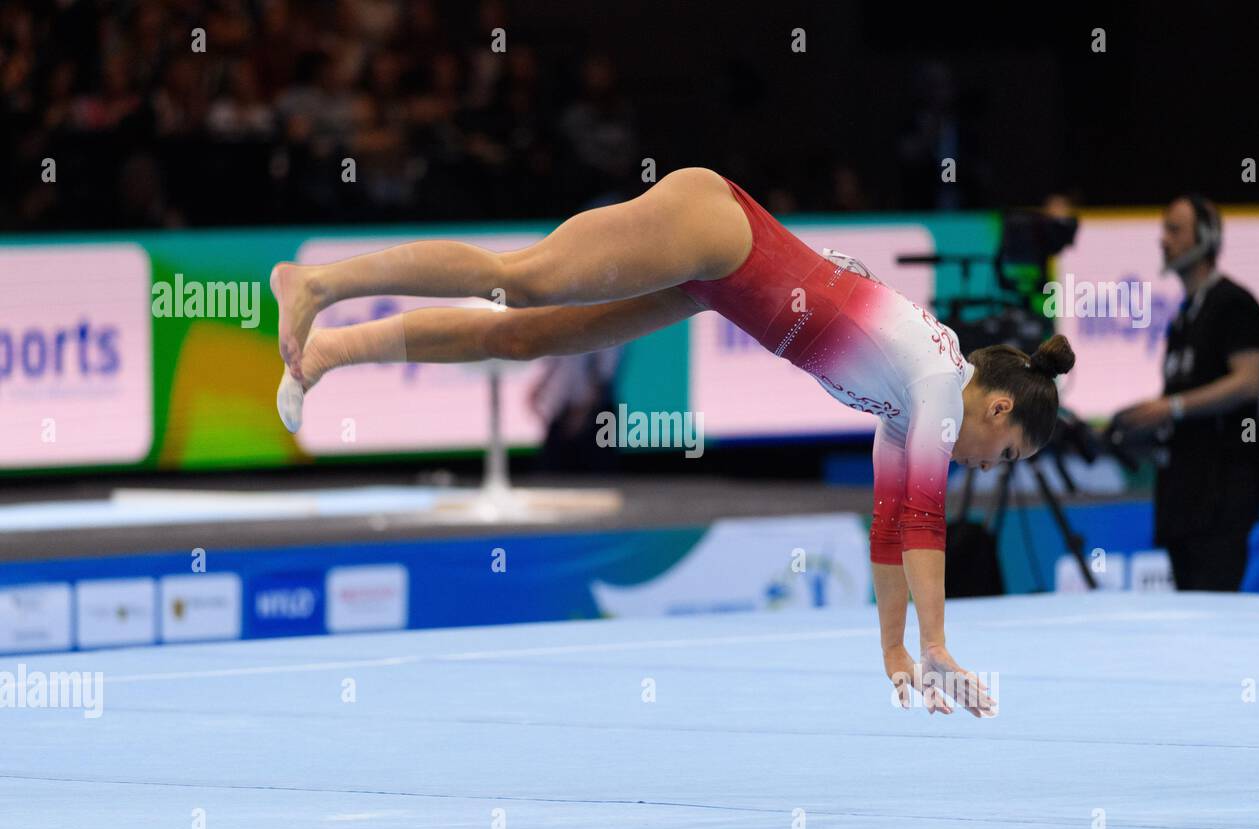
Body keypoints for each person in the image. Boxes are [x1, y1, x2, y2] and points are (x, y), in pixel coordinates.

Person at [272, 167, 1078, 718]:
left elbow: (891, 528)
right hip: (719, 234)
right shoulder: (940, 390)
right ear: (999, 406)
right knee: (524, 281)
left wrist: (899, 651)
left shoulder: (913, 402)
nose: (987, 465)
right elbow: (926, 529)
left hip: (720, 278)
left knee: (531, 337)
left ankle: (332, 354)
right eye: (1004, 453)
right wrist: (939, 646)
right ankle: (320, 283)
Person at [1114, 195, 1259, 590]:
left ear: (1206, 238)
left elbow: (1248, 381)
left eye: (1175, 229)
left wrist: (1170, 407)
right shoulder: (1183, 319)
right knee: (1190, 613)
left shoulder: (1234, 304)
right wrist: (1148, 415)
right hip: (1184, 496)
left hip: (1222, 495)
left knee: (1216, 614)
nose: (1164, 239)